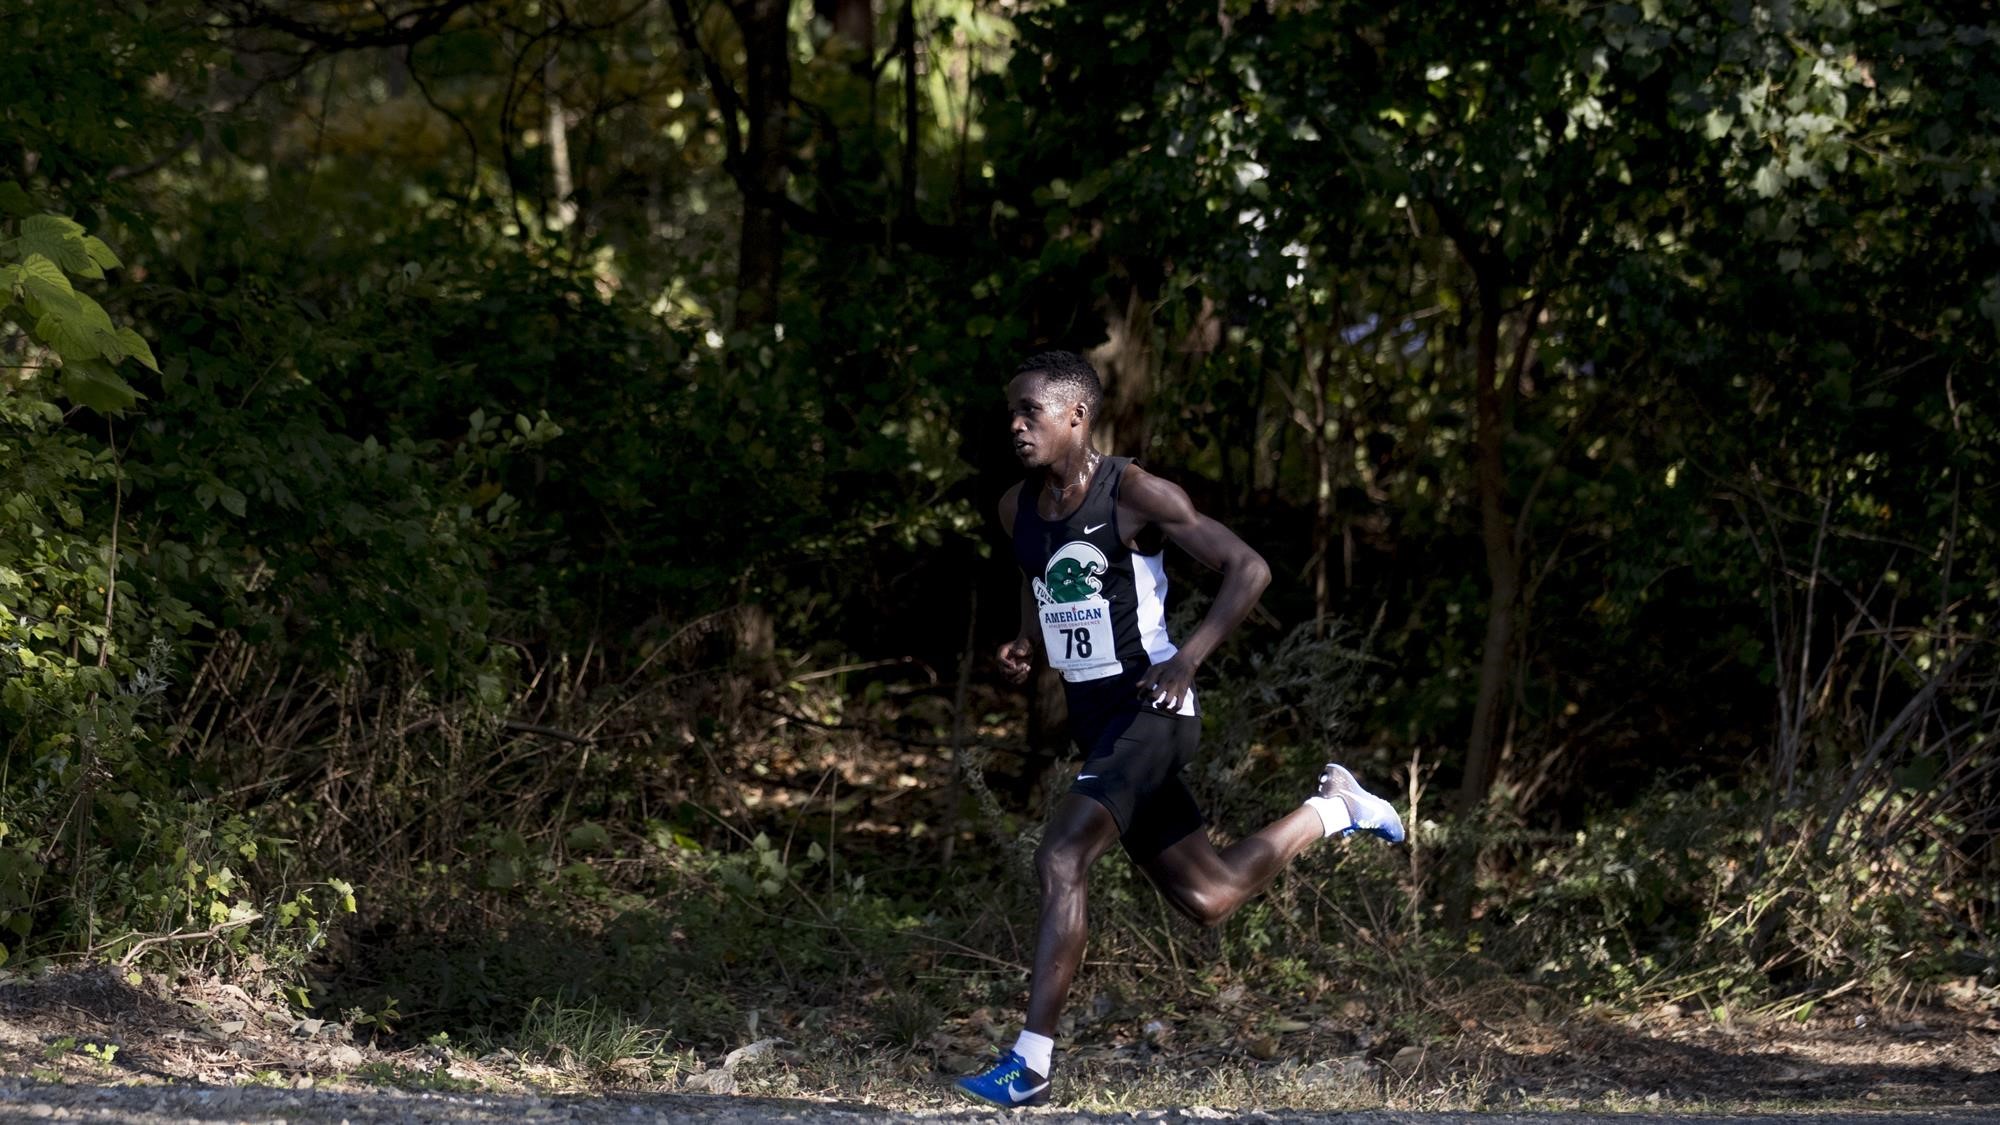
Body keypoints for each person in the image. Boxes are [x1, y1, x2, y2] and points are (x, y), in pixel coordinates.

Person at [954, 351, 1406, 1109]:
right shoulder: (1015, 508)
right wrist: (1026, 641)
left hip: (1154, 714)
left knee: (1063, 852)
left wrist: (1188, 660)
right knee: (1210, 894)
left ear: (1077, 416)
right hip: (1100, 727)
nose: (1016, 424)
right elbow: (1040, 576)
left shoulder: (1133, 491)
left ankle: (1030, 1064)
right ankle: (1338, 808)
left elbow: (1249, 567)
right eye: (1012, 411)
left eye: (1031, 411)